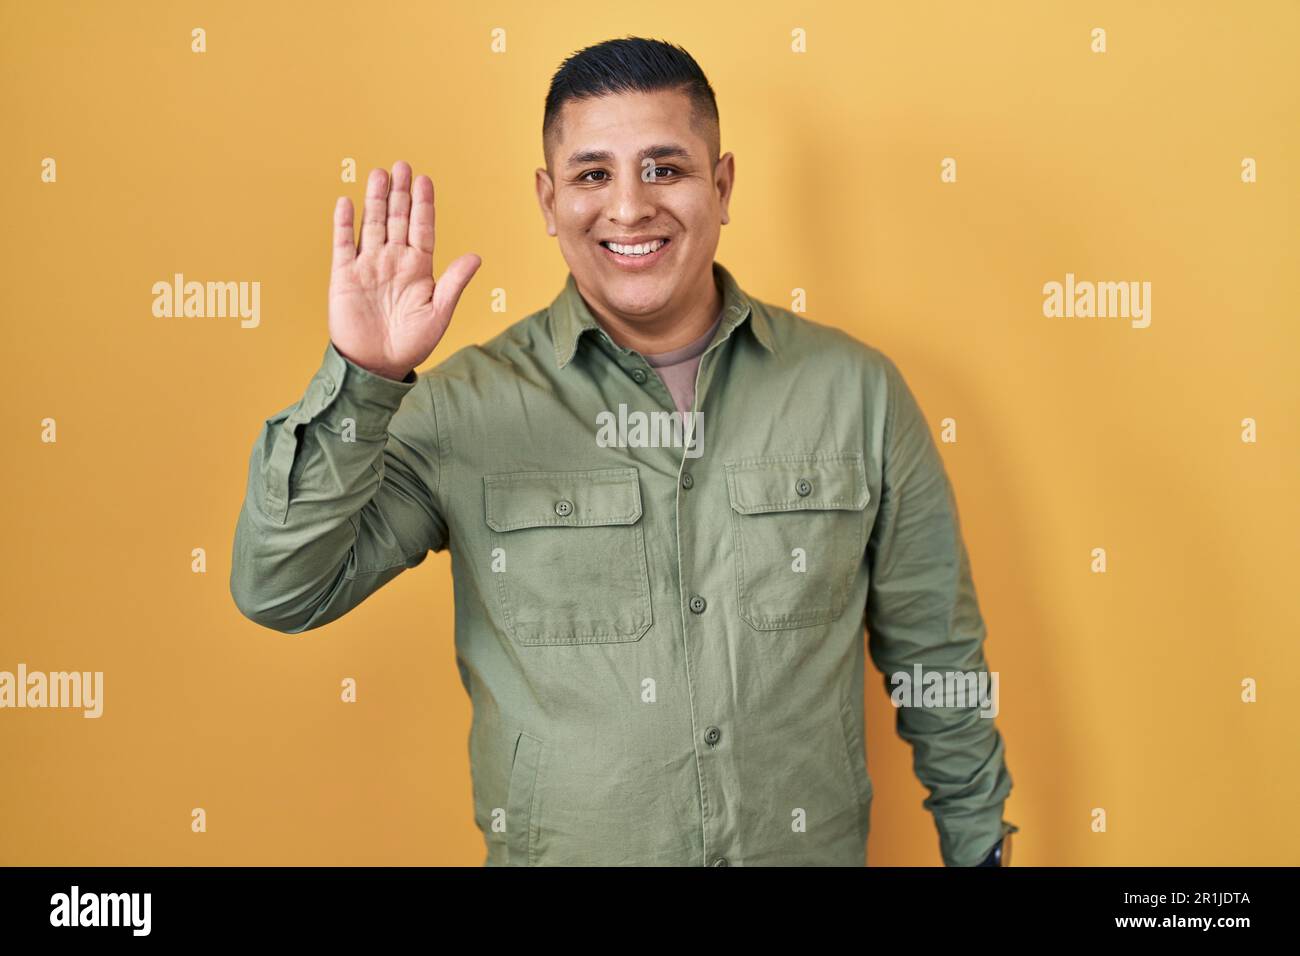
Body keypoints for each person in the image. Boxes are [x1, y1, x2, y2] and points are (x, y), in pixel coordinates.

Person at [230, 36, 1016, 867]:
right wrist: (362, 378)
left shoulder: (858, 392)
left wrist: (979, 849)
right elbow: (281, 589)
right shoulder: (462, 407)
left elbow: (939, 660)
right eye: (593, 174)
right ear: (548, 199)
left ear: (721, 186)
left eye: (665, 168)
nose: (630, 208)